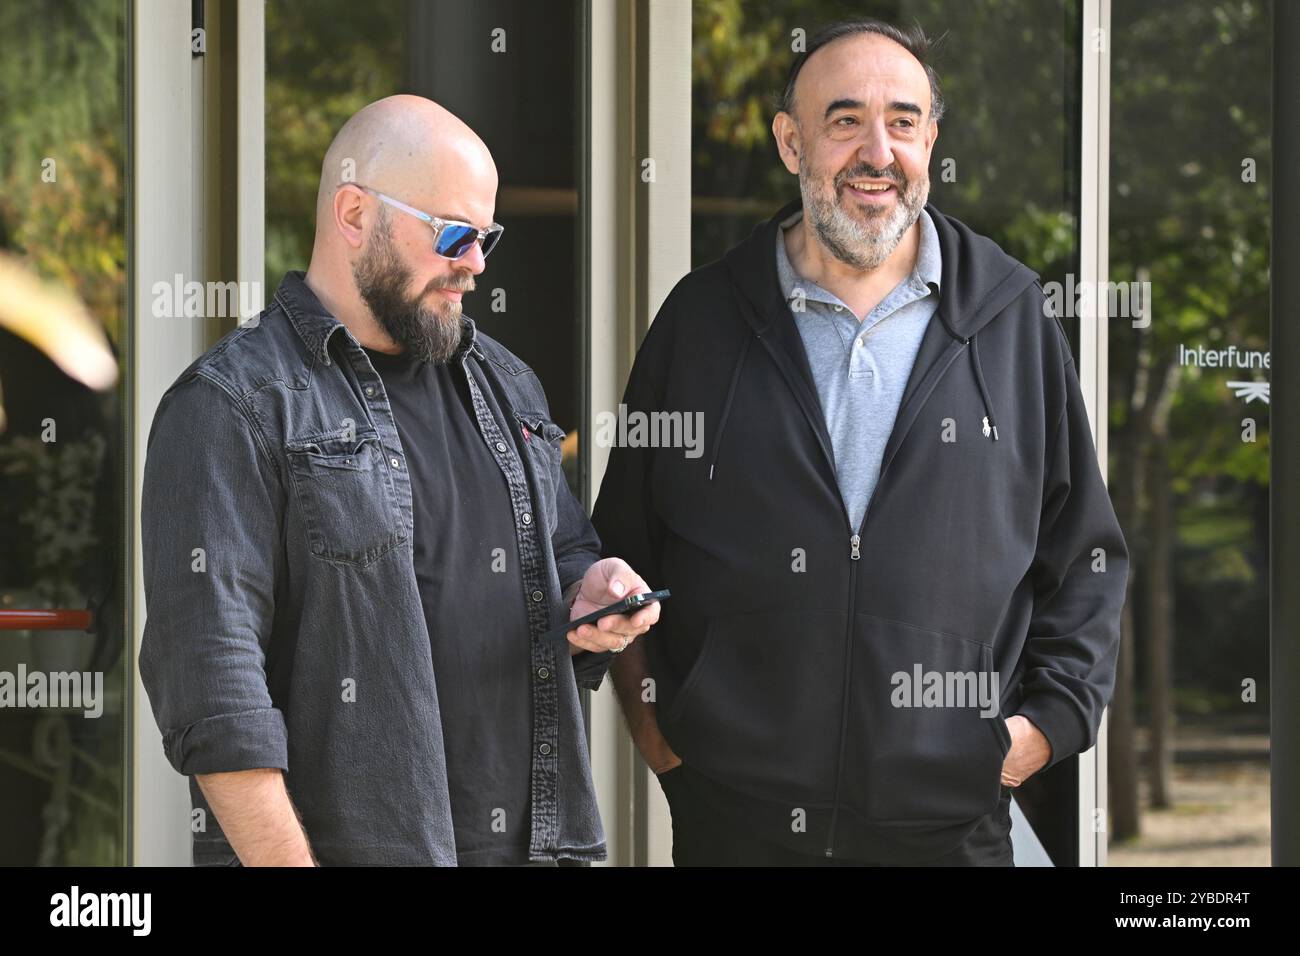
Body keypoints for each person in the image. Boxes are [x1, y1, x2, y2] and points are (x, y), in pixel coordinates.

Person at [592, 18, 1128, 866]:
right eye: (844, 121)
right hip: (737, 825)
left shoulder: (1013, 320)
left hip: (953, 826)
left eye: (904, 122)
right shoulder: (700, 322)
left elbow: (1085, 558)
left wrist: (1038, 731)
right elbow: (621, 550)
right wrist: (662, 736)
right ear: (791, 142)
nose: (877, 151)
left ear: (931, 141)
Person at [140, 95, 658, 866]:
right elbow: (213, 686)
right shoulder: (232, 404)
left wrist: (589, 594)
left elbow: (563, 552)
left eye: (487, 238)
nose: (475, 262)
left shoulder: (506, 383)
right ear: (354, 212)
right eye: (453, 233)